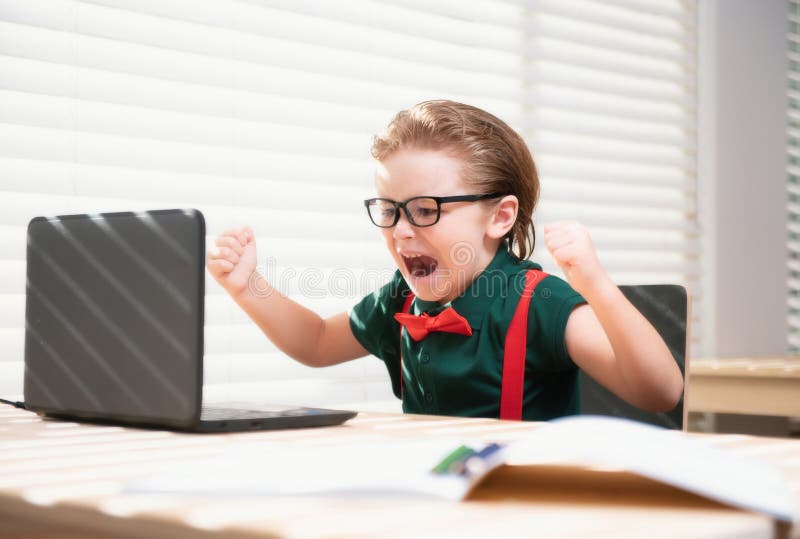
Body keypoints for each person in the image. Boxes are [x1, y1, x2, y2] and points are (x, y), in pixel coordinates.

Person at [206, 100, 684, 421]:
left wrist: (596, 284)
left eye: (426, 209)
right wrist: (249, 287)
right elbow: (314, 342)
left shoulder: (536, 303)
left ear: (499, 217)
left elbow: (660, 392)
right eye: (390, 210)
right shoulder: (401, 297)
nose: (401, 230)